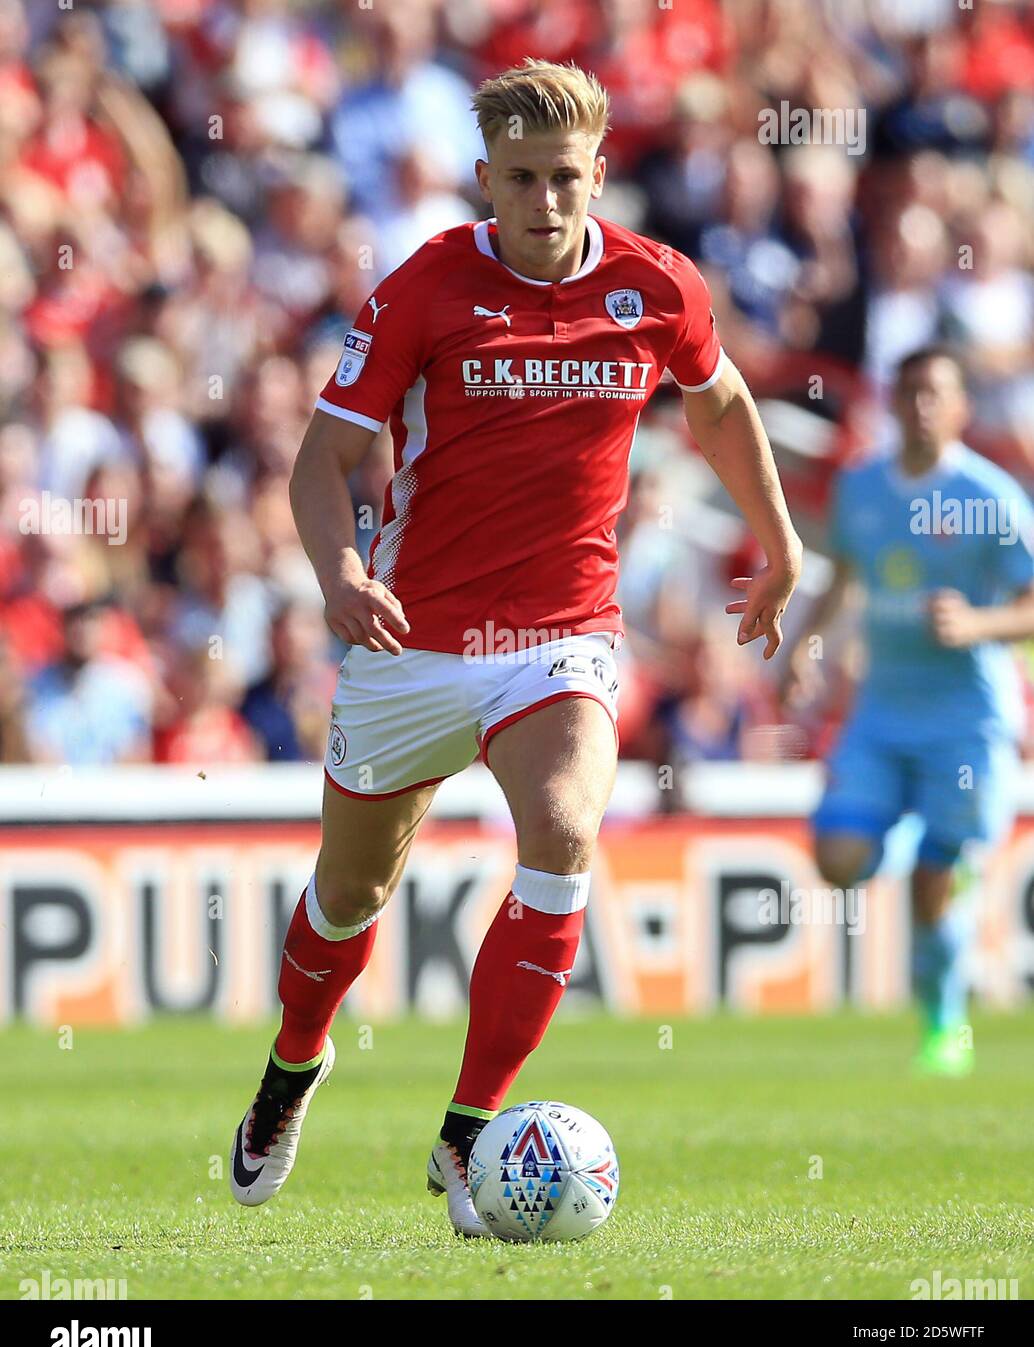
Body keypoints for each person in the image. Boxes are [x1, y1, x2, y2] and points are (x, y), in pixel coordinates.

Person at [229, 59, 801, 1236]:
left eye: (566, 178)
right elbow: (323, 458)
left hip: (559, 637)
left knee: (564, 828)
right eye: (523, 178)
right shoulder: (424, 287)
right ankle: (294, 1061)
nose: (546, 201)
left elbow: (718, 403)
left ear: (599, 175)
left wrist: (779, 540)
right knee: (347, 894)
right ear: (485, 179)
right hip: (410, 638)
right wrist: (339, 574)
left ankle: (467, 1130)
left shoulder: (656, 284)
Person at [783, 348, 1034, 1076]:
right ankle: (906, 842)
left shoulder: (990, 497)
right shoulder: (860, 486)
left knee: (934, 886)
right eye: (910, 392)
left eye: (936, 393)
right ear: (892, 404)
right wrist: (805, 647)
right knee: (838, 860)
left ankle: (944, 1022)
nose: (921, 405)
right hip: (882, 713)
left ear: (961, 408)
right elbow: (845, 576)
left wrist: (979, 625)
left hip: (965, 719)